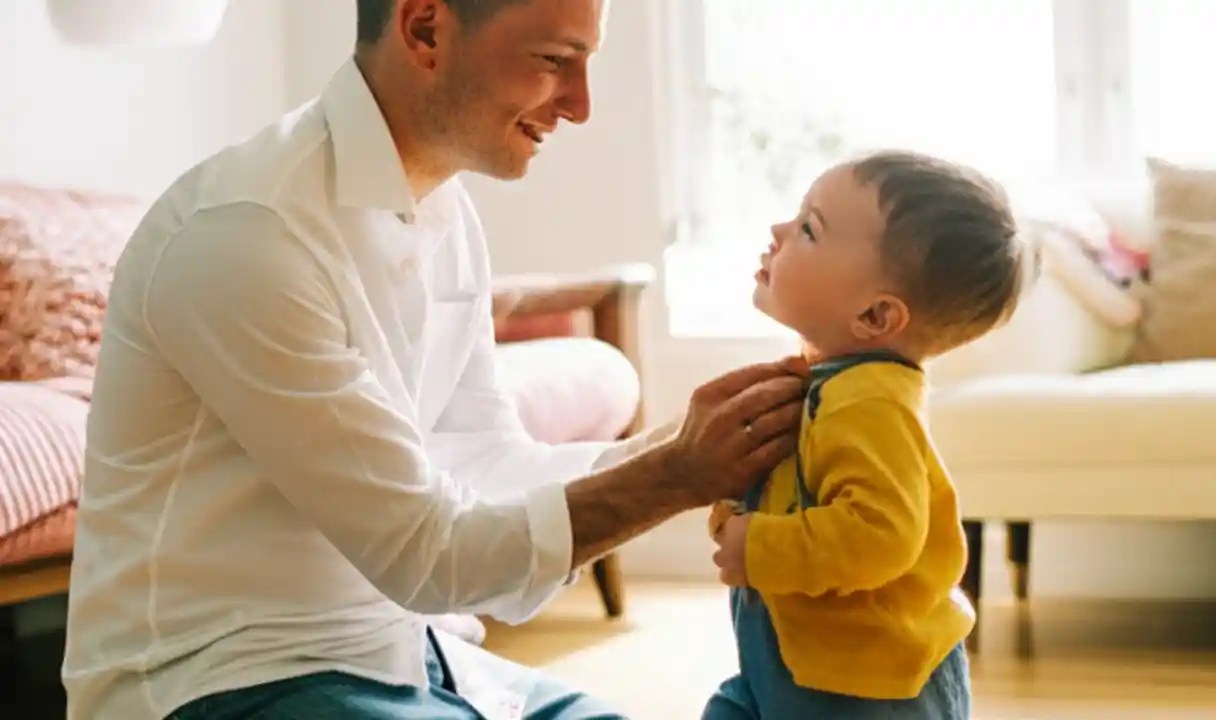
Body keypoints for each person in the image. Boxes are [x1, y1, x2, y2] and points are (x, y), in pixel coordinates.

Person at [60, 1, 808, 718]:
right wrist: (678, 473)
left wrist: (700, 442)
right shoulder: (247, 238)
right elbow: (428, 556)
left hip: (397, 651)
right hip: (223, 681)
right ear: (424, 28)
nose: (580, 105)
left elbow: (483, 462)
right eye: (554, 60)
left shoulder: (445, 212)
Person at [705, 150, 1036, 719]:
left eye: (808, 229)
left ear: (877, 317)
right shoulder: (827, 383)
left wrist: (755, 545)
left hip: (869, 693)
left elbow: (880, 533)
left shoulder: (872, 405)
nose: (779, 230)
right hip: (793, 665)